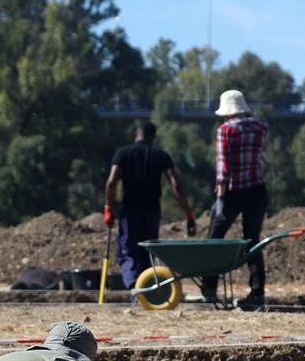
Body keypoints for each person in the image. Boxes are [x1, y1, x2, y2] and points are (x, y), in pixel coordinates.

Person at [104, 122, 197, 290]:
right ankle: (148, 290)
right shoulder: (161, 155)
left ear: (136, 135)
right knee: (148, 252)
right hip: (152, 212)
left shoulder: (123, 153)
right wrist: (189, 213)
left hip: (130, 211)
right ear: (153, 137)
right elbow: (175, 185)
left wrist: (108, 208)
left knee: (128, 251)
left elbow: (111, 183)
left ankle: (136, 288)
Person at [201, 89, 270, 310]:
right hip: (257, 189)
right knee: (253, 241)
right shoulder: (261, 127)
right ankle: (257, 292)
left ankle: (209, 287)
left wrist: (220, 199)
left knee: (215, 240)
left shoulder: (225, 130)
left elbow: (223, 168)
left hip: (232, 192)